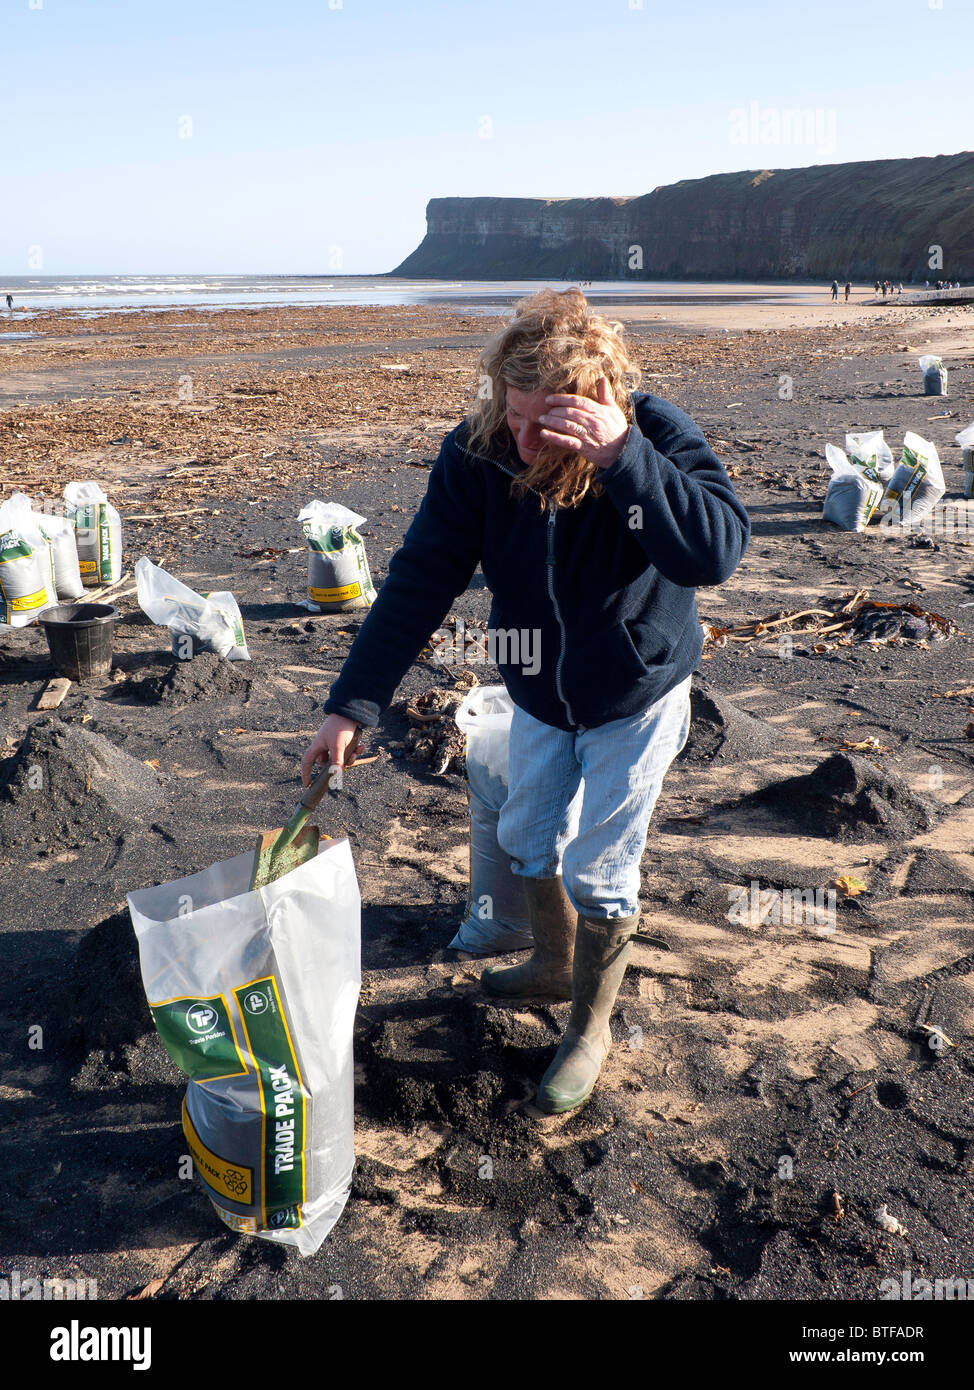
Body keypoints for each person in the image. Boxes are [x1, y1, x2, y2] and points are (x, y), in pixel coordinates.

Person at [301, 289, 750, 1115]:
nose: (521, 437)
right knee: (524, 831)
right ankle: (551, 960)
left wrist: (624, 462)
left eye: (543, 422)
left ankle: (589, 1027)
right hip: (538, 687)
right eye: (512, 413)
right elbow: (420, 581)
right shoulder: (478, 454)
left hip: (636, 694)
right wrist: (351, 706)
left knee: (601, 870)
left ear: (601, 402)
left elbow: (713, 554)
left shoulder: (650, 436)